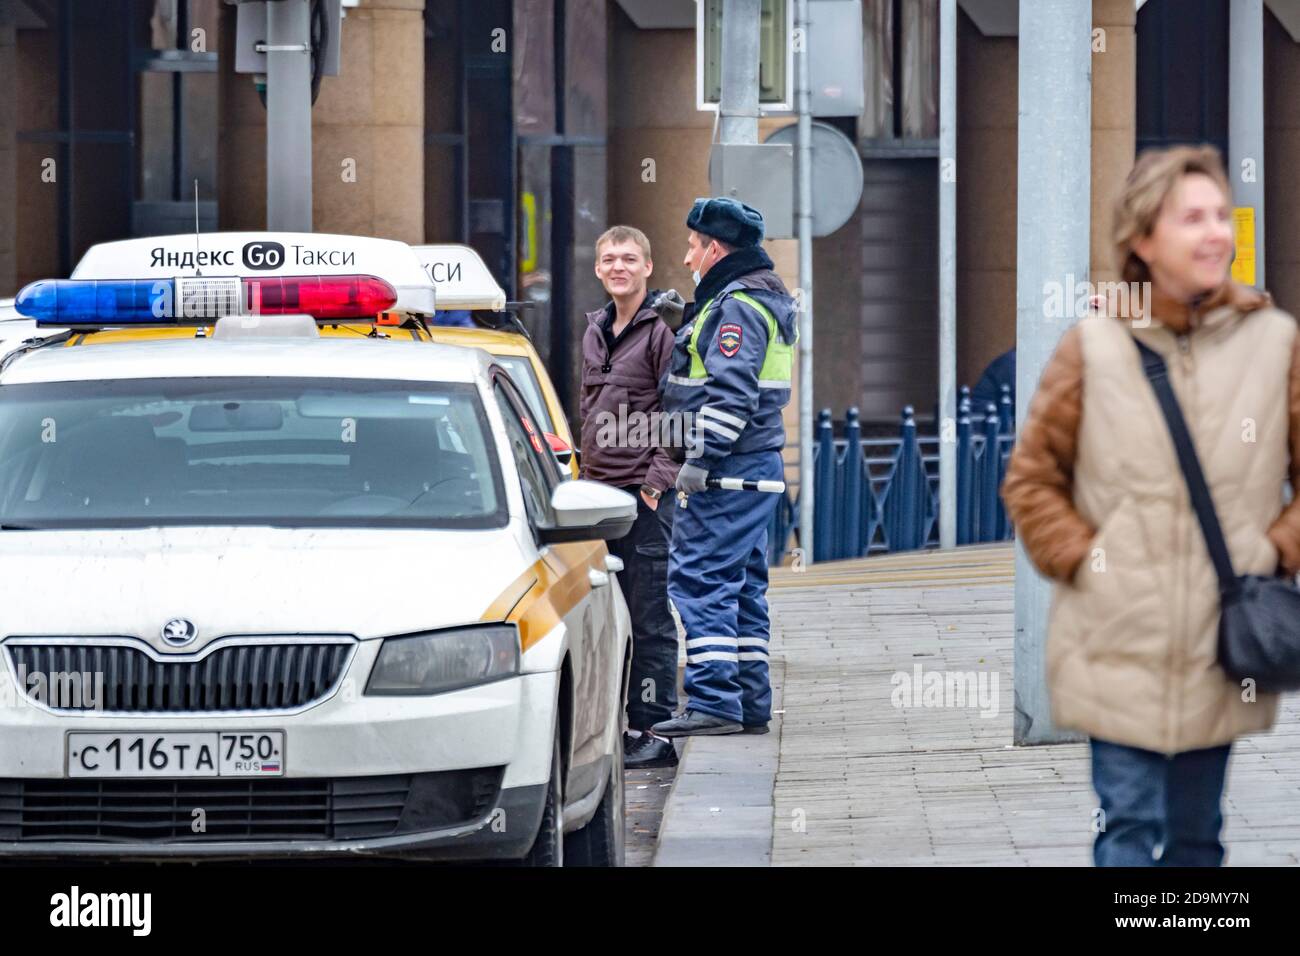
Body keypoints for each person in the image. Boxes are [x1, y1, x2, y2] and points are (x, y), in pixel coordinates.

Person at [1001, 144, 1300, 866]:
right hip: (1116, 639)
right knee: (1130, 829)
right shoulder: (1094, 348)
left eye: (1219, 216)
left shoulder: (1273, 341)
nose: (1214, 233)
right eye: (1190, 217)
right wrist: (1085, 561)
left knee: (1199, 838)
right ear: (1143, 239)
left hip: (1222, 642)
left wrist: (1276, 552)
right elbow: (1033, 478)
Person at [651, 198, 798, 738]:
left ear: (715, 248)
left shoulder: (736, 306)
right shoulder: (757, 299)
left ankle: (713, 700)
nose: (687, 257)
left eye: (693, 246)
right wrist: (686, 322)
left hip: (727, 469)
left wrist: (699, 460)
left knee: (700, 578)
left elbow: (731, 394)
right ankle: (749, 698)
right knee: (741, 585)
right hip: (752, 466)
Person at [579, 225, 683, 769]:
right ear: (598, 269)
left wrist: (655, 482)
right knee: (605, 614)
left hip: (641, 497)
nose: (618, 267)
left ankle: (654, 730)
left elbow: (681, 412)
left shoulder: (663, 332)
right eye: (609, 259)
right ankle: (613, 725)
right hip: (598, 494)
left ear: (647, 266)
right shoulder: (596, 329)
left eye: (629, 259)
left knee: (648, 617)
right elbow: (588, 404)